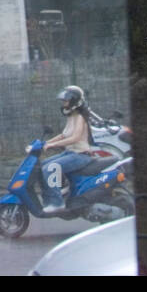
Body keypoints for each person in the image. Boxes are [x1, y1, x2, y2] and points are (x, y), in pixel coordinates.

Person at [40, 85, 94, 214]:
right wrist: (44, 143)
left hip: (81, 155)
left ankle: (57, 203)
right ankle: (51, 199)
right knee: (42, 166)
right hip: (70, 153)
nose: (64, 103)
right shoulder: (72, 116)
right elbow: (64, 135)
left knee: (51, 168)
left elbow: (75, 138)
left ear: (74, 101)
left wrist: (52, 145)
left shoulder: (80, 117)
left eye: (66, 100)